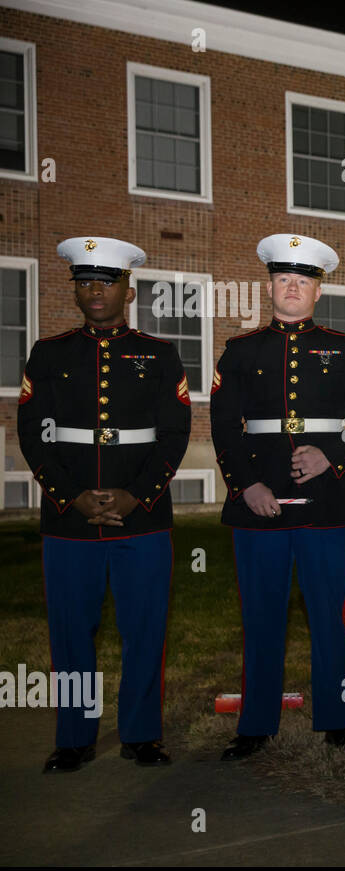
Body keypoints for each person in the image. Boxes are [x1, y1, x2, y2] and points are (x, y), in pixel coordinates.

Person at [18, 237, 192, 771]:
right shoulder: (49, 354)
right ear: (75, 291)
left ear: (129, 290)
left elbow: (175, 433)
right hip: (69, 521)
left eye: (106, 282)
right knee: (71, 632)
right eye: (85, 282)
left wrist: (135, 495)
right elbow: (34, 432)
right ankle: (74, 737)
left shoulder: (160, 355)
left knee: (145, 628)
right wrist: (72, 498)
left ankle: (142, 733)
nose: (94, 291)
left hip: (141, 518)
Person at [211, 234, 345, 761]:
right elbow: (224, 427)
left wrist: (332, 456)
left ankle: (338, 720)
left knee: (330, 618)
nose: (292, 287)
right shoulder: (240, 351)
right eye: (283, 278)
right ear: (269, 286)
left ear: (317, 290)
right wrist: (247, 485)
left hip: (326, 505)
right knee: (261, 618)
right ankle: (255, 723)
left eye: (303, 280)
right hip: (258, 504)